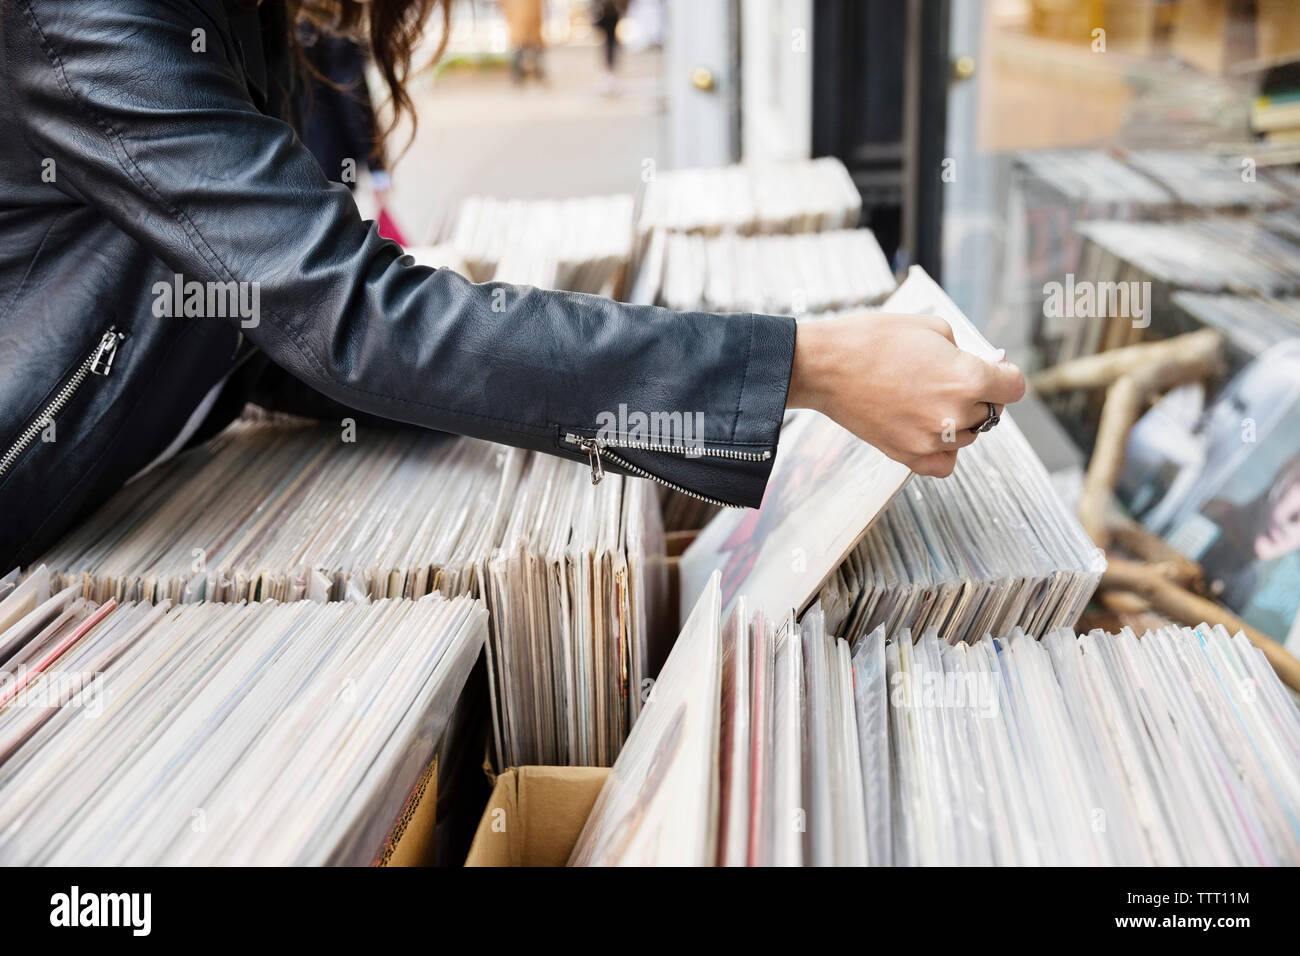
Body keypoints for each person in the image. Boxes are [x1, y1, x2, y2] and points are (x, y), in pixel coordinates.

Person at [0, 0, 1024, 571]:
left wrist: (542, 382)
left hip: (121, 474)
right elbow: (344, 314)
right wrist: (811, 365)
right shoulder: (88, 14)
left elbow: (276, 320)